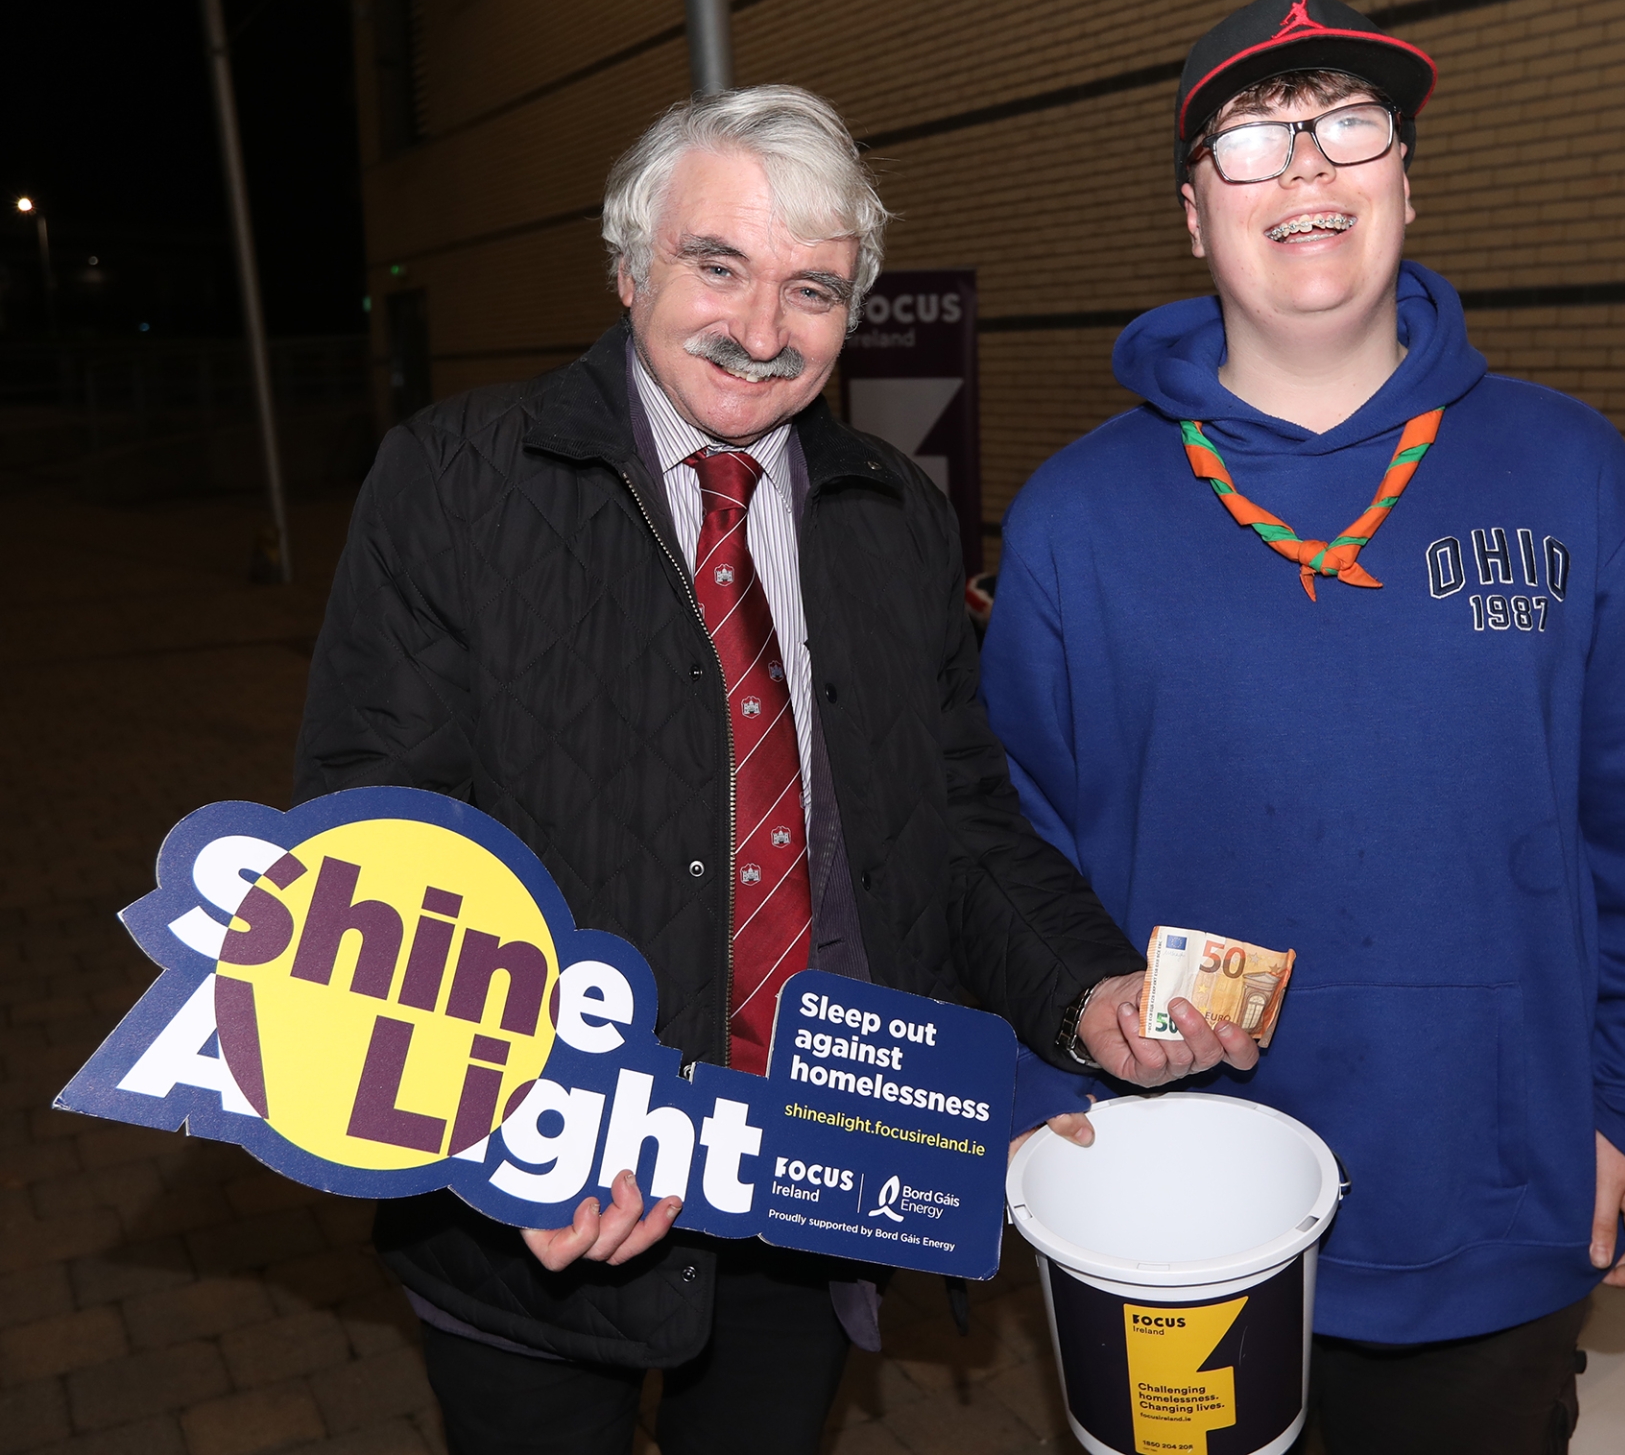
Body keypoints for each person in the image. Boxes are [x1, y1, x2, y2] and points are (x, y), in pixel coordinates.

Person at [295, 84, 1247, 1455]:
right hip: (539, 1210)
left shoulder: (889, 515)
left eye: (813, 287)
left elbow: (961, 819)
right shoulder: (458, 480)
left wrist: (1084, 986)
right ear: (631, 267)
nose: (760, 328)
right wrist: (518, 1124)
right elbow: (376, 841)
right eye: (718, 265)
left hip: (816, 1175)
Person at [978, 0, 1625, 1454]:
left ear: (1407, 179)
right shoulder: (1076, 518)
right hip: (1177, 1205)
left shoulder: (1576, 479)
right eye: (1255, 138)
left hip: (1502, 1194)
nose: (1309, 167)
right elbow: (1016, 844)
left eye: (1348, 126)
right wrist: (1033, 1099)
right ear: (1194, 215)